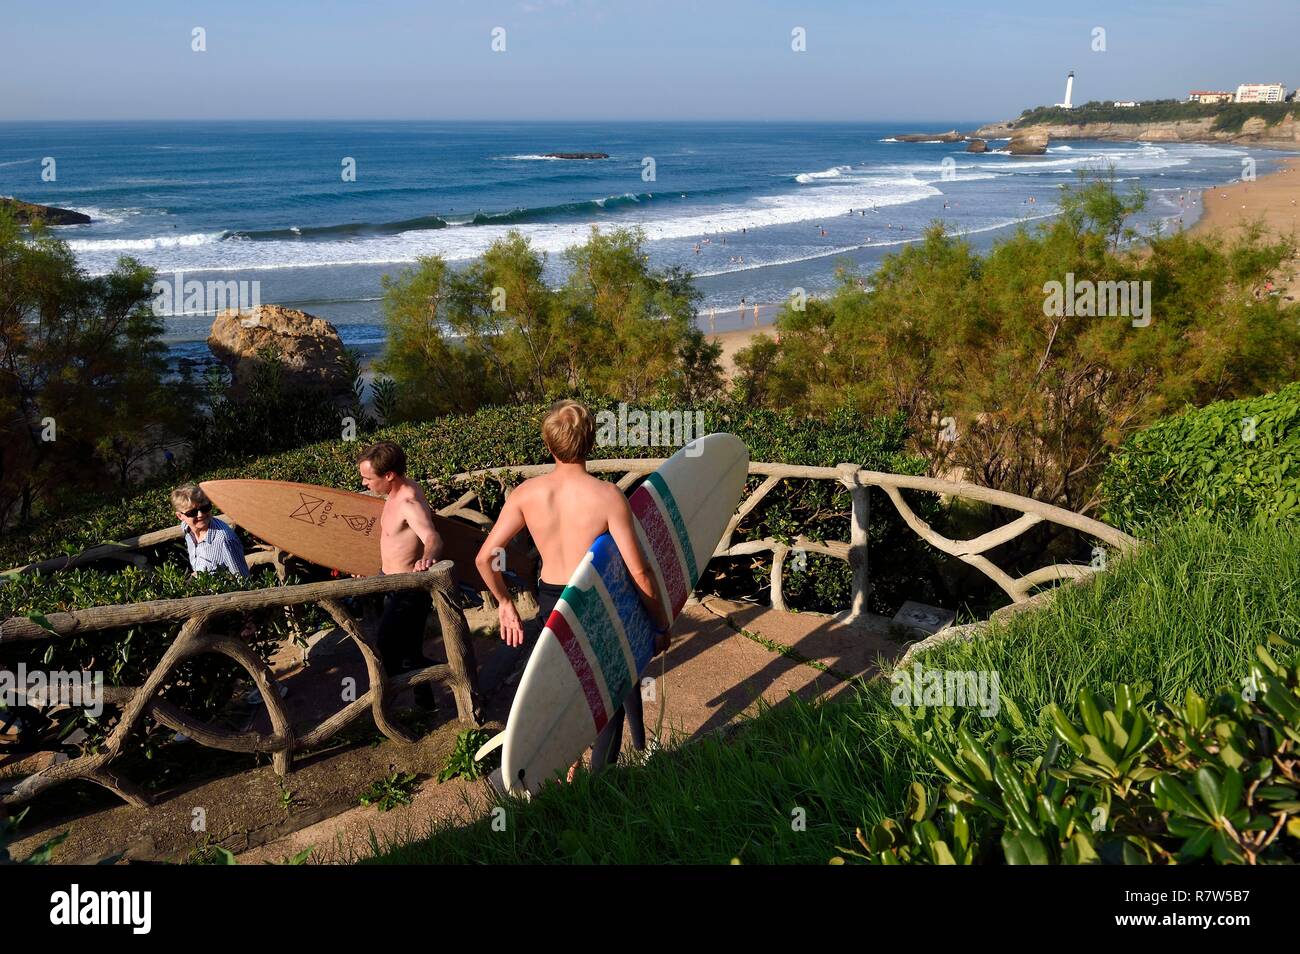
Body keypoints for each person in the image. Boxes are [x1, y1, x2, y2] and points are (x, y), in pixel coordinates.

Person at [475, 400, 671, 774]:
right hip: (597, 600)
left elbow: (484, 558)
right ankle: (601, 784)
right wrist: (660, 624)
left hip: (552, 600)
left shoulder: (526, 494)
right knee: (607, 693)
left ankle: (560, 769)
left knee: (567, 688)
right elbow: (640, 572)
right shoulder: (607, 496)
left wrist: (504, 603)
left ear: (549, 445)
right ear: (591, 442)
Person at [357, 441, 444, 710]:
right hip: (390, 583)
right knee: (408, 651)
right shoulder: (393, 493)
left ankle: (452, 671)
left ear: (389, 475)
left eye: (368, 478)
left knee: (387, 649)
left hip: (408, 590)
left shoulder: (408, 501)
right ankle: (426, 704)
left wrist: (427, 557)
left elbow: (433, 537)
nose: (363, 483)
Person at [173, 484, 248, 578]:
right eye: (192, 512)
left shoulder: (224, 540)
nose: (200, 515)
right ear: (180, 516)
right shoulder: (187, 529)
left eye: (205, 508)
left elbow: (242, 579)